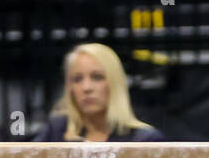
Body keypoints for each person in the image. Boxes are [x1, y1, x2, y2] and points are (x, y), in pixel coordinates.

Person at [32, 43, 164, 141]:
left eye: (97, 77)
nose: (86, 88)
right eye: (77, 79)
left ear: (115, 83)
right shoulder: (56, 131)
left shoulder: (144, 141)